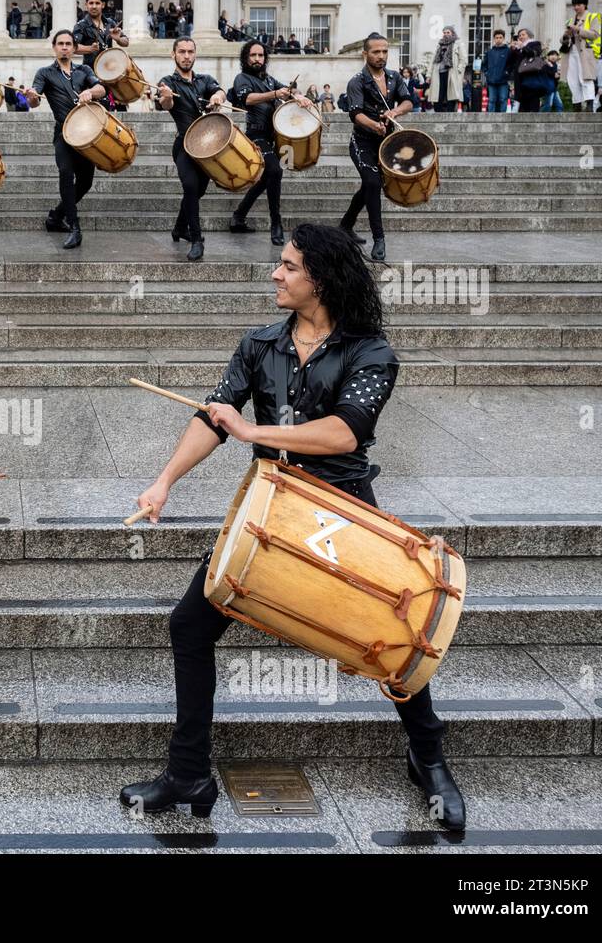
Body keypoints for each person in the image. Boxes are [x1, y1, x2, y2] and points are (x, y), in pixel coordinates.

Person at [118, 223, 466, 834]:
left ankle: (429, 758)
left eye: (288, 266)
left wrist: (255, 434)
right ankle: (188, 774)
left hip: (344, 511)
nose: (275, 275)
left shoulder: (371, 353)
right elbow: (214, 415)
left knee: (394, 634)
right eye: (278, 265)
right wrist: (164, 480)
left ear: (322, 280)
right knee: (190, 626)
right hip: (271, 511)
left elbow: (345, 431)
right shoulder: (259, 344)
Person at [23, 30, 108, 250]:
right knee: (65, 173)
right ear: (54, 47)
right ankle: (74, 226)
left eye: (68, 44)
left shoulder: (84, 70)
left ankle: (56, 216)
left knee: (86, 181)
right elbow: (35, 101)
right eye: (60, 43)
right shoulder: (44, 73)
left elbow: (101, 88)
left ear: (74, 48)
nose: (64, 47)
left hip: (87, 134)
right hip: (63, 133)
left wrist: (91, 91)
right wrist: (31, 96)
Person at [229, 40, 314, 246]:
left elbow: (287, 89)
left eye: (261, 56)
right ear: (246, 58)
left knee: (267, 177)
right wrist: (275, 94)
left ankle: (238, 217)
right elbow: (248, 99)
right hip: (256, 134)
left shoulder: (268, 79)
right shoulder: (242, 78)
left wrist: (299, 95)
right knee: (275, 171)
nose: (258, 59)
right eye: (253, 55)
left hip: (275, 136)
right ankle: (276, 223)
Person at [340, 32, 412, 263]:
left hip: (386, 143)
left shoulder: (394, 77)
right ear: (365, 54)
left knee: (369, 186)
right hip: (362, 142)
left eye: (384, 51)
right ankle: (379, 239)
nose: (381, 56)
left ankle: (345, 226)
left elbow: (409, 101)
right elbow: (355, 114)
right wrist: (374, 125)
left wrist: (395, 112)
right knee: (372, 183)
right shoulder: (356, 81)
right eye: (376, 52)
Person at [155, 38, 226, 262]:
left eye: (190, 52)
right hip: (184, 145)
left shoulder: (205, 80)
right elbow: (165, 104)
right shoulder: (167, 83)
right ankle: (196, 240)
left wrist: (217, 97)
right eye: (182, 52)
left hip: (207, 147)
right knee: (190, 186)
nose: (186, 56)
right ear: (173, 55)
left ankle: (179, 228)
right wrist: (165, 98)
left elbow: (221, 91)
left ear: (195, 54)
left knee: (197, 192)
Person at [562, 0, 602, 112]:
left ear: (585, 5)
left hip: (586, 53)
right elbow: (563, 38)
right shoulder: (570, 20)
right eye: (574, 5)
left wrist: (578, 29)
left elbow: (595, 34)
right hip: (571, 52)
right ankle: (577, 104)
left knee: (586, 78)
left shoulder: (593, 17)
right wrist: (566, 35)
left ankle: (589, 103)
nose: (576, 7)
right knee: (572, 79)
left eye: (578, 5)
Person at [74, 0, 125, 69]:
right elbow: (72, 47)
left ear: (103, 5)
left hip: (110, 70)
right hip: (90, 73)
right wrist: (90, 49)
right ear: (86, 5)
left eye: (97, 3)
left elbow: (126, 42)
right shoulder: (80, 25)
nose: (94, 6)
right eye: (91, 3)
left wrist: (118, 39)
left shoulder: (110, 22)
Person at [427, 25, 465, 112]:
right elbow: (433, 60)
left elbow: (463, 60)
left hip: (451, 72)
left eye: (448, 32)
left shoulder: (457, 44)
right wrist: (429, 75)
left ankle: (450, 113)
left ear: (452, 33)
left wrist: (459, 71)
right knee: (438, 94)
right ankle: (438, 113)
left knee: (450, 94)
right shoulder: (439, 45)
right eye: (444, 33)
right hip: (438, 72)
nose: (446, 34)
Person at [483, 29, 512, 113]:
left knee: (503, 99)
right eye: (496, 37)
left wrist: (506, 72)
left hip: (503, 80)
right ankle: (490, 119)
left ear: (503, 38)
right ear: (494, 39)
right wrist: (487, 73)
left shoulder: (508, 51)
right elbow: (484, 64)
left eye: (500, 37)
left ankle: (503, 118)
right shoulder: (490, 52)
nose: (498, 39)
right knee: (491, 100)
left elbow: (511, 64)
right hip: (491, 80)